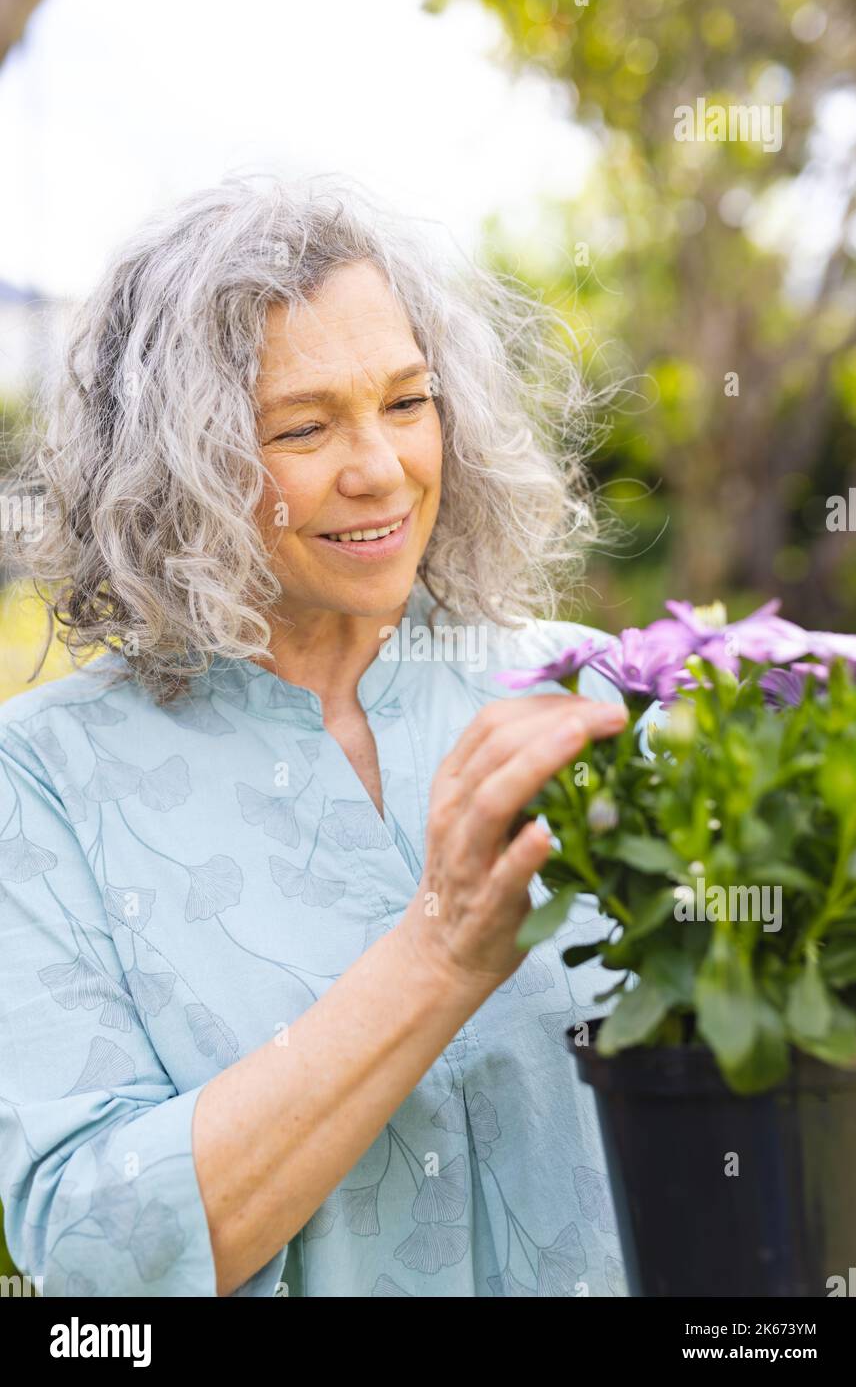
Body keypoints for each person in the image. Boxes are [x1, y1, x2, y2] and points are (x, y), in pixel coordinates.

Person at [0, 174, 631, 1298]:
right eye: (304, 425)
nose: (380, 469)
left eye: (406, 402)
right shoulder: (43, 778)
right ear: (178, 464)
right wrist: (440, 952)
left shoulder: (580, 689)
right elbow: (96, 1251)